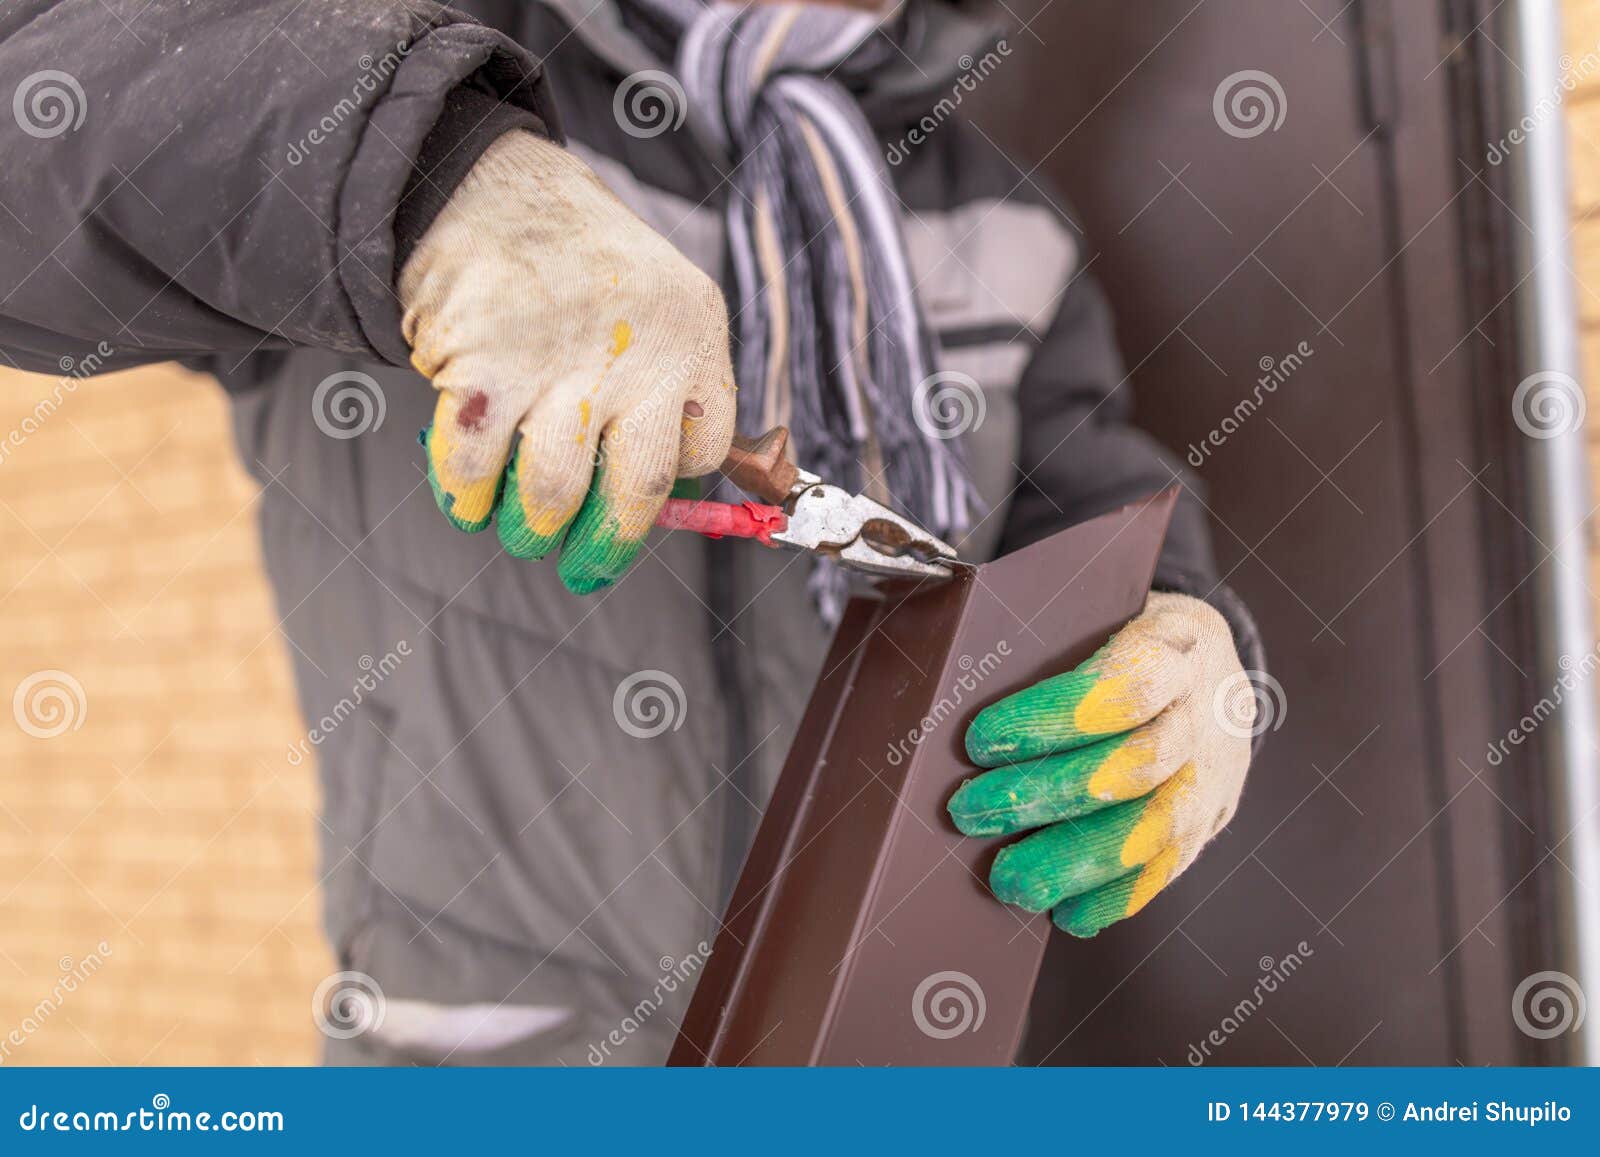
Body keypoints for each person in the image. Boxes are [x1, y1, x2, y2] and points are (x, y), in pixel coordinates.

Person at [0, 0, 1265, 1064]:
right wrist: (434, 174)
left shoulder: (1009, 226)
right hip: (482, 1057)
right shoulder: (409, 56)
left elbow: (1088, 529)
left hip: (876, 1051)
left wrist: (1198, 663)